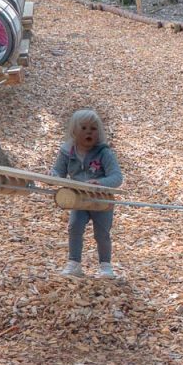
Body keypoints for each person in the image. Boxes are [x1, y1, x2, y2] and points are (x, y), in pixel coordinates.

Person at [52, 109, 124, 279]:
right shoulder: (67, 152)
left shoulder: (104, 153)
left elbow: (117, 177)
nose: (89, 132)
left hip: (101, 200)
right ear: (74, 131)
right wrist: (53, 176)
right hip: (78, 199)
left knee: (102, 233)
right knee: (74, 227)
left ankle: (105, 266)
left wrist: (100, 183)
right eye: (83, 128)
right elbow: (58, 171)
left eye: (93, 128)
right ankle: (74, 263)